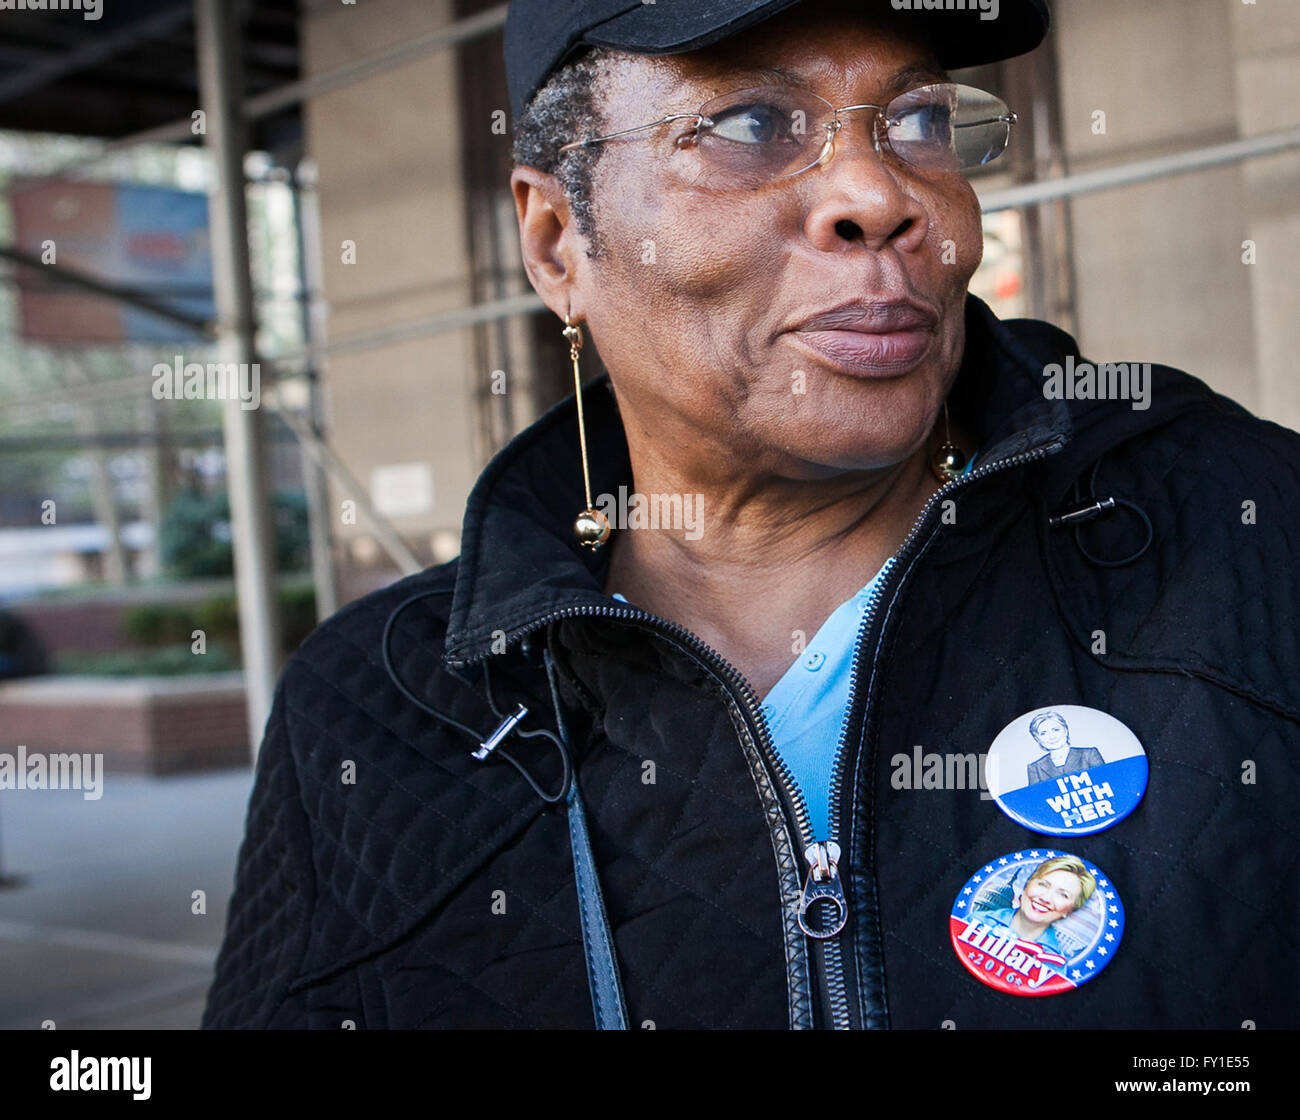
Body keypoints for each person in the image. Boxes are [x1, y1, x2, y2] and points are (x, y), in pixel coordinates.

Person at [203, 0, 1300, 1029]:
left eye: (917, 118)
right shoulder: (378, 709)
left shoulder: (1247, 534)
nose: (880, 195)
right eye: (748, 122)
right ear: (554, 242)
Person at [973, 856, 1096, 959]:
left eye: (1063, 895)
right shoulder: (974, 921)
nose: (1045, 898)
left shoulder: (1054, 960)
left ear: (1070, 911)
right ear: (1027, 885)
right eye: (1043, 884)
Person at [1024, 711, 1104, 787]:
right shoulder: (1035, 768)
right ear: (1037, 739)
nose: (1051, 737)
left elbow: (1106, 783)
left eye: (1056, 730)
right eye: (1043, 733)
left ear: (1066, 731)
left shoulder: (1089, 754)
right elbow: (1036, 799)